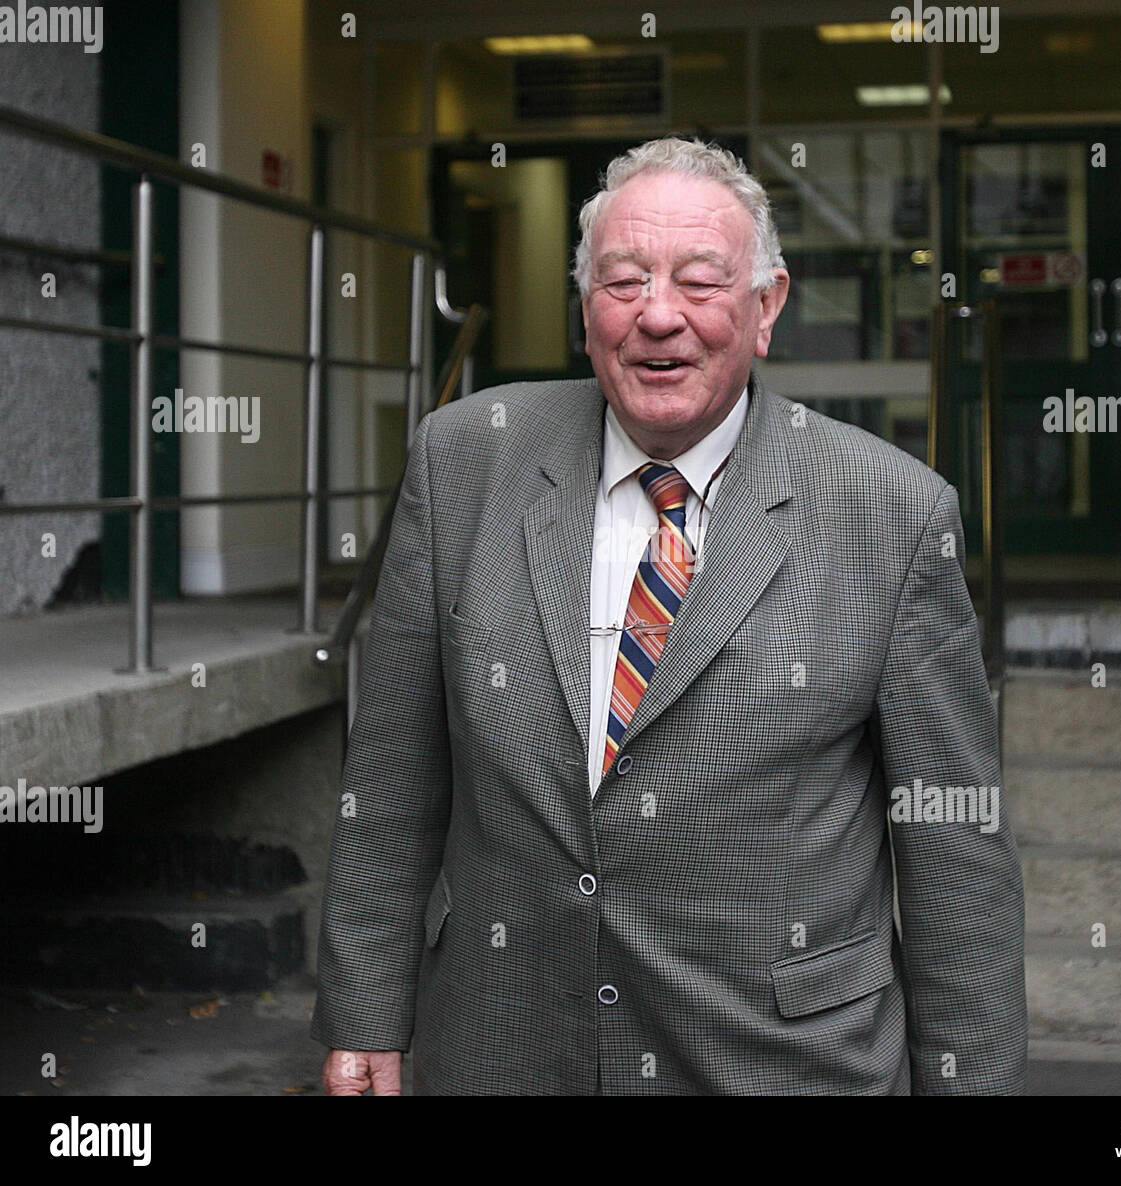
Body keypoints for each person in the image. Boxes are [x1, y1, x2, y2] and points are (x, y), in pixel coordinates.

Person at [311, 137, 1027, 1095]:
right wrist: (366, 1013)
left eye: (699, 282)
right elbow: (393, 777)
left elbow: (954, 856)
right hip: (503, 1057)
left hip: (779, 1067)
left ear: (765, 308)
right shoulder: (465, 462)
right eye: (623, 281)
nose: (658, 316)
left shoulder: (891, 513)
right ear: (585, 307)